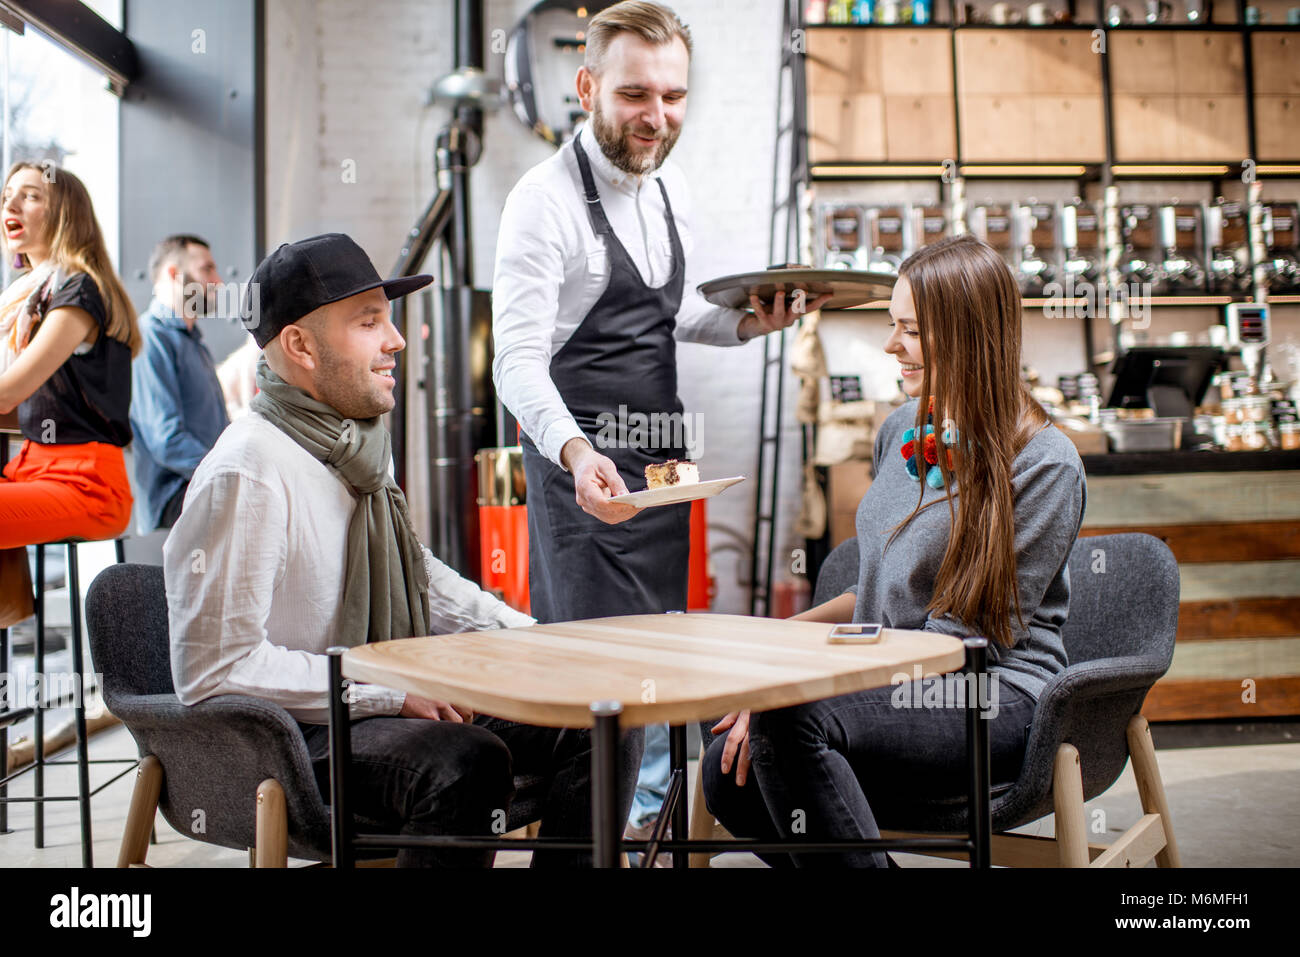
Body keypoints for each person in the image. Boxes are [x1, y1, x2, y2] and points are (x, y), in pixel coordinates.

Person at [165, 233, 643, 867]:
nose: (395, 340)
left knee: (603, 710)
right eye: (369, 322)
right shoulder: (247, 470)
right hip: (295, 734)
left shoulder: (354, 444)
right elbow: (215, 670)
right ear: (300, 346)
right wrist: (386, 691)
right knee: (464, 762)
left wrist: (536, 643)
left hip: (364, 700)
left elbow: (417, 572)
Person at [491, 0, 825, 859]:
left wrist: (753, 322)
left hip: (663, 473)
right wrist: (576, 451)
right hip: (588, 477)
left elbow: (670, 316)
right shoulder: (543, 203)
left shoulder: (656, 190)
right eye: (636, 94)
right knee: (598, 702)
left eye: (673, 97)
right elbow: (515, 361)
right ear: (587, 85)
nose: (657, 117)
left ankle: (643, 846)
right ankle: (580, 858)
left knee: (655, 678)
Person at [701, 235, 1088, 867]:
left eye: (909, 329)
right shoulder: (902, 429)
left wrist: (791, 690)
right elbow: (877, 591)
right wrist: (761, 651)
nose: (890, 345)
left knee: (786, 723)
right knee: (726, 770)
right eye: (892, 324)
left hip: (993, 693)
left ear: (965, 337)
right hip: (894, 682)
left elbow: (958, 641)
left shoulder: (1045, 464)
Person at [0, 162, 139, 549]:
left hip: (86, 483)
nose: (11, 204)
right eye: (7, 195)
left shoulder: (80, 292)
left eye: (30, 195)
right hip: (30, 468)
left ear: (65, 212)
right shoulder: (27, 299)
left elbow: (8, 393)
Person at [129, 234, 230, 530]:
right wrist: (229, 472)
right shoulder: (149, 338)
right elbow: (166, 441)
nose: (219, 281)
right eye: (207, 269)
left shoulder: (194, 344)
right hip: (175, 498)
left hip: (204, 484)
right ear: (174, 274)